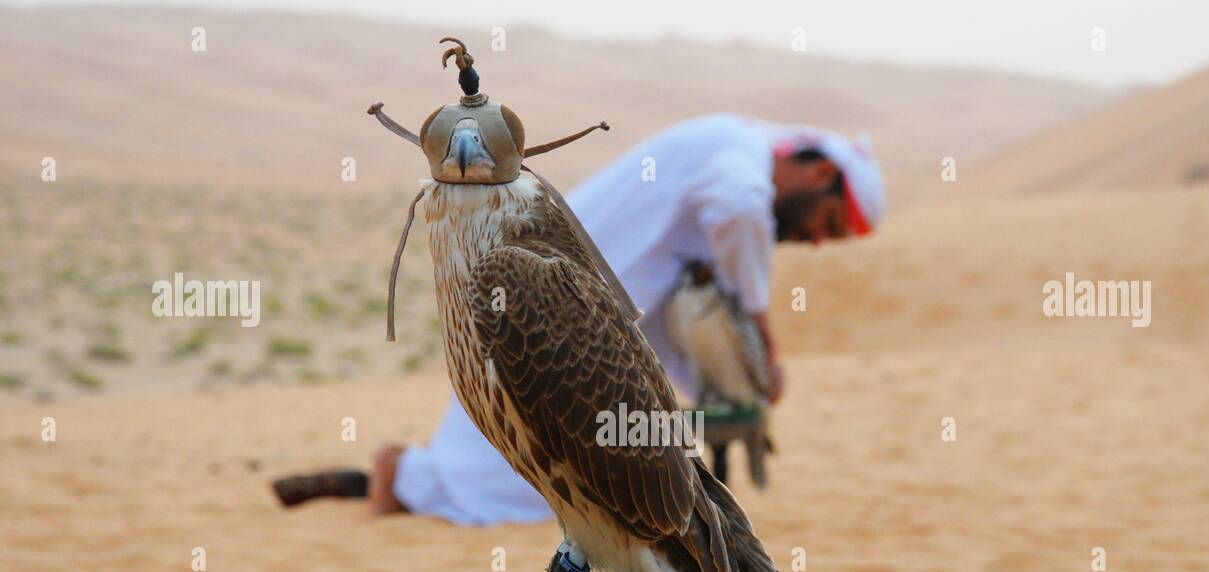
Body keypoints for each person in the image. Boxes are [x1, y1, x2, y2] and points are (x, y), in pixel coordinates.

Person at [274, 114, 884, 520]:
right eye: (825, 225)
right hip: (559, 299)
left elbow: (679, 303)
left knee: (579, 464)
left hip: (595, 312)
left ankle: (398, 479)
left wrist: (721, 391)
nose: (812, 240)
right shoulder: (740, 159)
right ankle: (401, 479)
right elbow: (740, 213)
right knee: (538, 463)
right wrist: (766, 337)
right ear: (821, 175)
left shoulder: (735, 150)